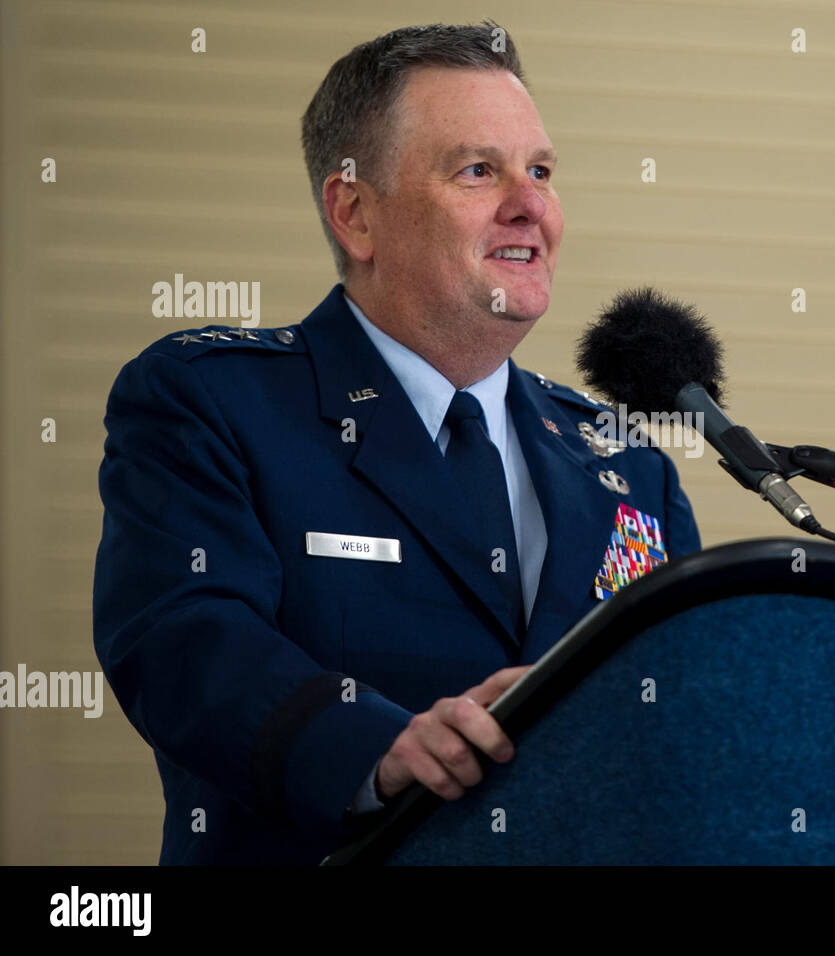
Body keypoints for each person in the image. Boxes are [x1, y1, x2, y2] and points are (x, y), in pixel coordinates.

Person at [92, 22, 699, 866]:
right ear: (355, 213)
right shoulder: (215, 401)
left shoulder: (630, 471)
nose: (531, 205)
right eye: (479, 170)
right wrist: (377, 751)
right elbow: (182, 642)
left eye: (543, 172)